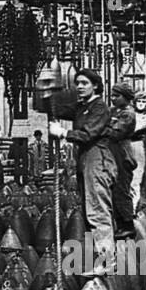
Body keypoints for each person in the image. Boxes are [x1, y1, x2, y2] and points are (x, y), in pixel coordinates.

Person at [50, 68, 117, 275]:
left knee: (97, 212)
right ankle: (102, 260)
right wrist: (48, 90)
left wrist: (63, 133)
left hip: (98, 160)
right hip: (86, 161)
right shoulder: (83, 107)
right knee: (91, 212)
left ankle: (108, 262)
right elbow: (58, 108)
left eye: (84, 83)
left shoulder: (99, 108)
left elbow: (88, 135)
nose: (79, 86)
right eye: (77, 83)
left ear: (95, 85)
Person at [107, 82, 138, 239]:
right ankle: (119, 223)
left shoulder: (128, 114)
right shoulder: (114, 111)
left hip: (122, 154)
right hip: (113, 154)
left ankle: (128, 225)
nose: (112, 98)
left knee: (121, 189)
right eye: (112, 95)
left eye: (116, 96)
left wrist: (98, 128)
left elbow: (116, 133)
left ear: (126, 97)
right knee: (113, 189)